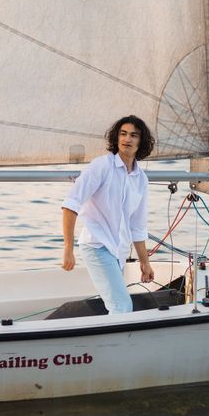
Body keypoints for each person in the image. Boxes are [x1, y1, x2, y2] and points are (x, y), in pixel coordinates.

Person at [61, 115, 155, 314]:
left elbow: (137, 227)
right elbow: (71, 205)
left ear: (141, 141)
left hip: (118, 251)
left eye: (133, 135)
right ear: (116, 137)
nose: (127, 139)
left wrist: (145, 263)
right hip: (96, 245)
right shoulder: (101, 166)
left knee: (115, 304)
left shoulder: (141, 179)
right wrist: (68, 249)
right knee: (122, 307)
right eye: (123, 134)